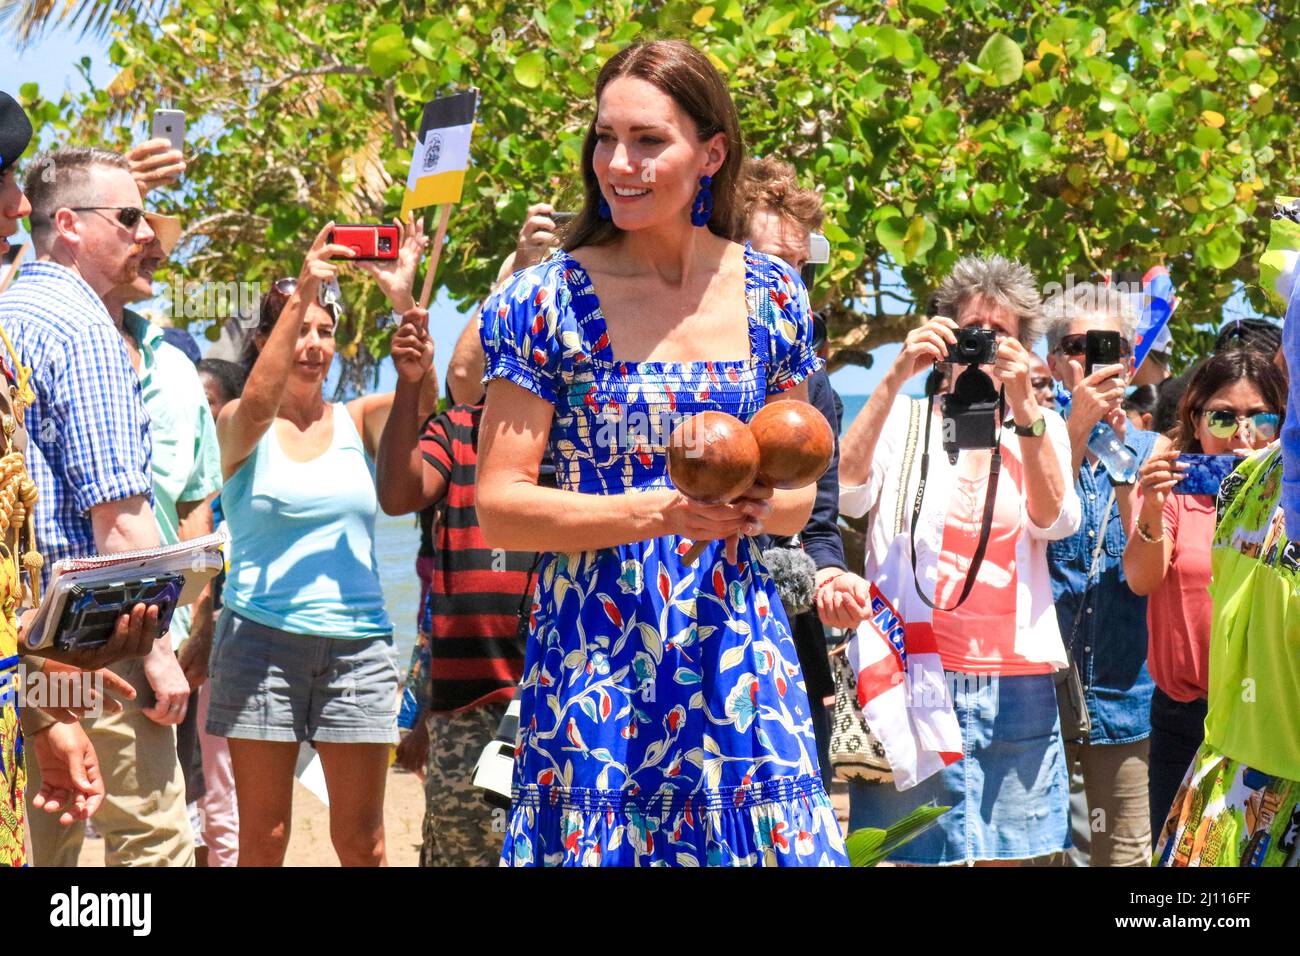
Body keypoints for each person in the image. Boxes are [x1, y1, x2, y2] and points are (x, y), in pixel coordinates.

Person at [475, 39, 848, 866]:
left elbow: (793, 501)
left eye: (649, 141)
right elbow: (500, 504)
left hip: (738, 653)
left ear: (711, 153)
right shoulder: (542, 301)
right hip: (593, 659)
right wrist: (661, 512)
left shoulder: (774, 297)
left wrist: (749, 508)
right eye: (606, 139)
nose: (619, 162)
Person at [826, 254, 1078, 865]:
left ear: (1024, 348)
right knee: (906, 854)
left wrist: (1023, 406)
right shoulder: (906, 419)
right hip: (910, 675)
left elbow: (1056, 520)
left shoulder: (1041, 427)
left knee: (1013, 854)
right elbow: (849, 491)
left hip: (1014, 680)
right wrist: (893, 377)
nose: (982, 348)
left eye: (1001, 338)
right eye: (971, 333)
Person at [207, 220, 436, 866]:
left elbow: (428, 403)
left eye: (324, 331)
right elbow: (256, 405)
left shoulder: (355, 418)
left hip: (358, 647)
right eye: (299, 329)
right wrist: (307, 284)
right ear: (267, 339)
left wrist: (403, 301)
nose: (313, 344)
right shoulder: (236, 427)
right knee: (266, 839)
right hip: (259, 641)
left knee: (363, 843)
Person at [4, 145, 175, 865]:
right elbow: (120, 523)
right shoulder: (84, 329)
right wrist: (159, 651)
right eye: (130, 218)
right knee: (153, 845)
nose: (150, 235)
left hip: (19, 653)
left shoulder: (10, 310)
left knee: (46, 847)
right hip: (92, 641)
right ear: (69, 225)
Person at [96, 173, 225, 866]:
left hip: (157, 648)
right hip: (48, 644)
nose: (154, 248)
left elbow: (198, 507)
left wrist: (193, 629)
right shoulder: (27, 332)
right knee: (42, 840)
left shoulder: (176, 368)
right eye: (134, 227)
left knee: (156, 841)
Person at [377, 308, 535, 866]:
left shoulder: (574, 436)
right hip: (465, 700)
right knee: (461, 851)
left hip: (558, 697)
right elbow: (398, 494)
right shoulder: (460, 427)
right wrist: (409, 384)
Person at [1125, 351, 1287, 843]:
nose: (1242, 432)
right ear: (1196, 420)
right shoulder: (1173, 490)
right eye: (1223, 416)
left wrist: (1268, 490)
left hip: (1268, 717)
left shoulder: (1291, 496)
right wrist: (1151, 506)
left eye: (1261, 418)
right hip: (1185, 715)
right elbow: (1140, 580)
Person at [736, 155, 846, 786]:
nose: (790, 285)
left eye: (801, 268)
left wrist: (830, 577)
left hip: (784, 641)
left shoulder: (815, 388)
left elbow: (819, 521)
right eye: (774, 263)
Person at [1042, 281, 1161, 867]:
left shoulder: (1156, 449)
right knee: (1038, 859)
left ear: (1132, 358)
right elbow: (1033, 524)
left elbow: (1149, 575)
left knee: (1127, 860)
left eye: (1106, 347)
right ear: (1050, 359)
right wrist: (1073, 431)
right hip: (1033, 704)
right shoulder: (1022, 447)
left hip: (1126, 698)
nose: (1090, 360)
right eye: (1075, 346)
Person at [1154, 425, 1300, 866]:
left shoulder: (1250, 477)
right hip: (1232, 796)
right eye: (1220, 417)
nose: (1239, 430)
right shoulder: (1245, 480)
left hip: (1230, 794)